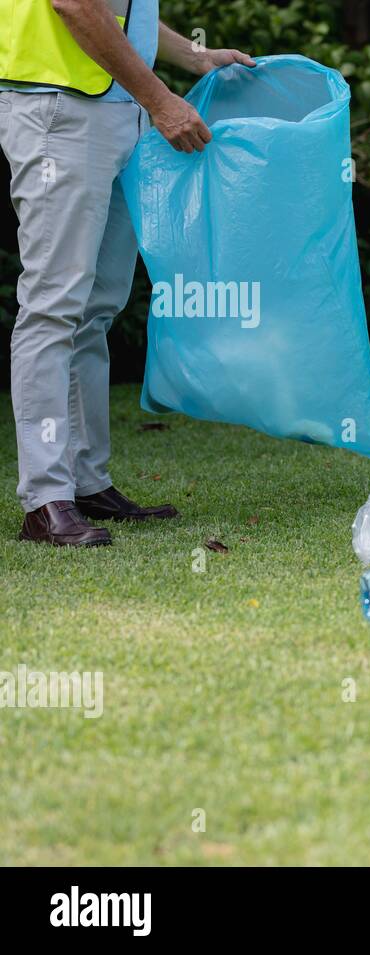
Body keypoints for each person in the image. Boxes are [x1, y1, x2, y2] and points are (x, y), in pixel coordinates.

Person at [0, 0, 254, 546]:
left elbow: (118, 12)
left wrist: (193, 54)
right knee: (53, 307)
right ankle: (45, 500)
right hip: (58, 108)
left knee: (94, 310)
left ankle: (86, 483)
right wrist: (161, 100)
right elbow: (75, 5)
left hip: (118, 110)